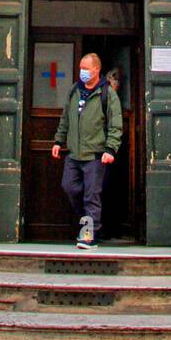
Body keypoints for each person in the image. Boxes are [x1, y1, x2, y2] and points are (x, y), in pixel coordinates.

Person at [52, 52, 123, 249]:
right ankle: (89, 223)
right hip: (74, 154)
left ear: (96, 70)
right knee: (70, 187)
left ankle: (89, 235)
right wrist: (59, 140)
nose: (82, 72)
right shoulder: (74, 91)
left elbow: (116, 124)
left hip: (95, 155)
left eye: (86, 69)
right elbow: (66, 118)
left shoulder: (107, 94)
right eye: (81, 68)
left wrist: (110, 149)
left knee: (92, 195)